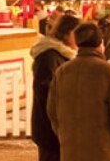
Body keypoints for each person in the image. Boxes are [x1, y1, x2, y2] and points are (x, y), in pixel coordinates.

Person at [47, 22, 110, 161]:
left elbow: (53, 113)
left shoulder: (62, 72)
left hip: (71, 153)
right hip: (106, 154)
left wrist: (66, 138)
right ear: (100, 43)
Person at [32, 14, 80, 161]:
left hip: (58, 126)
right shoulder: (49, 56)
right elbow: (46, 92)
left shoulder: (66, 55)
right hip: (49, 128)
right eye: (76, 34)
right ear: (66, 33)